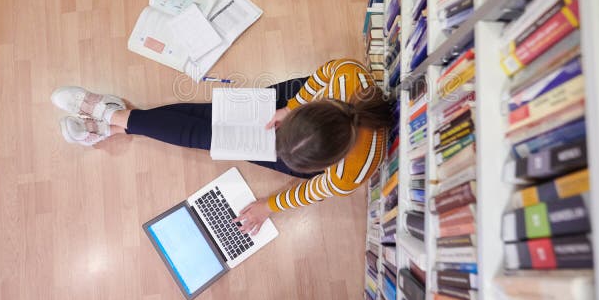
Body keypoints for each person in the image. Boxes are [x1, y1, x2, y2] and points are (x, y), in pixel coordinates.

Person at [51, 58, 394, 235]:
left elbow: (308, 192)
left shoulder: (348, 176)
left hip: (314, 134)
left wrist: (268, 206)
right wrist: (289, 107)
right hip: (300, 101)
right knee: (213, 115)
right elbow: (319, 79)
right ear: (313, 107)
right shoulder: (348, 74)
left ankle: (113, 119)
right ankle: (116, 120)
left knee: (211, 135)